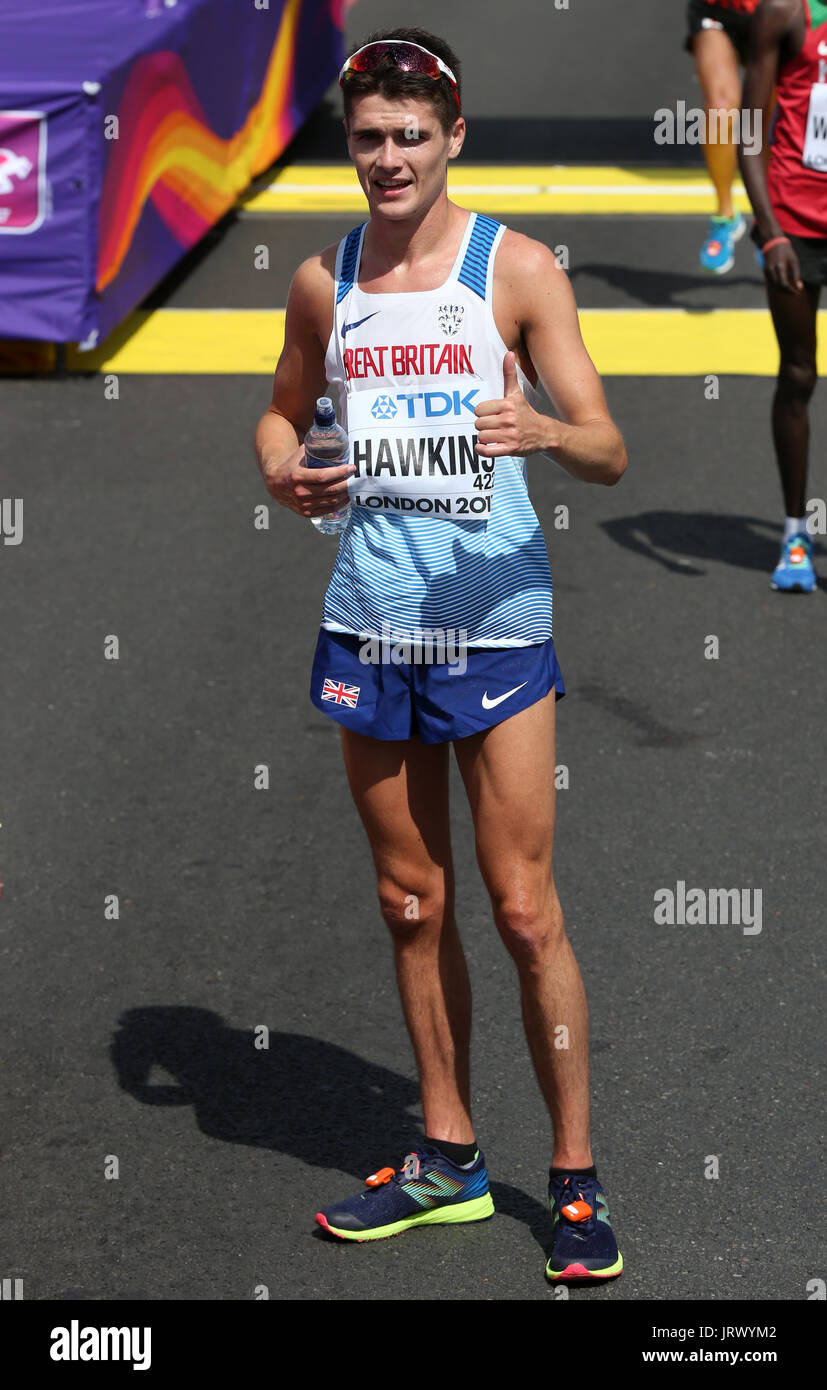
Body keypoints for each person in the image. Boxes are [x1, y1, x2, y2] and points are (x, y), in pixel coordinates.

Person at [254, 26, 628, 1282]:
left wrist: (540, 427)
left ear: (452, 137)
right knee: (409, 903)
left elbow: (609, 446)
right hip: (371, 619)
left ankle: (572, 1186)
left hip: (496, 623)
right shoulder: (325, 279)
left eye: (411, 135)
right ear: (347, 146)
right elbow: (280, 404)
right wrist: (282, 470)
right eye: (367, 138)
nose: (388, 158)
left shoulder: (514, 270)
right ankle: (448, 1157)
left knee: (523, 911)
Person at [740, 0, 825, 591]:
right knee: (798, 373)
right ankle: (795, 530)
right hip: (796, 223)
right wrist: (770, 234)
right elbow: (747, 132)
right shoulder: (785, 14)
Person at [685, 0, 765, 271]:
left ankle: (771, 219)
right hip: (717, 10)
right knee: (719, 108)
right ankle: (725, 216)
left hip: (781, 8)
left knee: (770, 117)